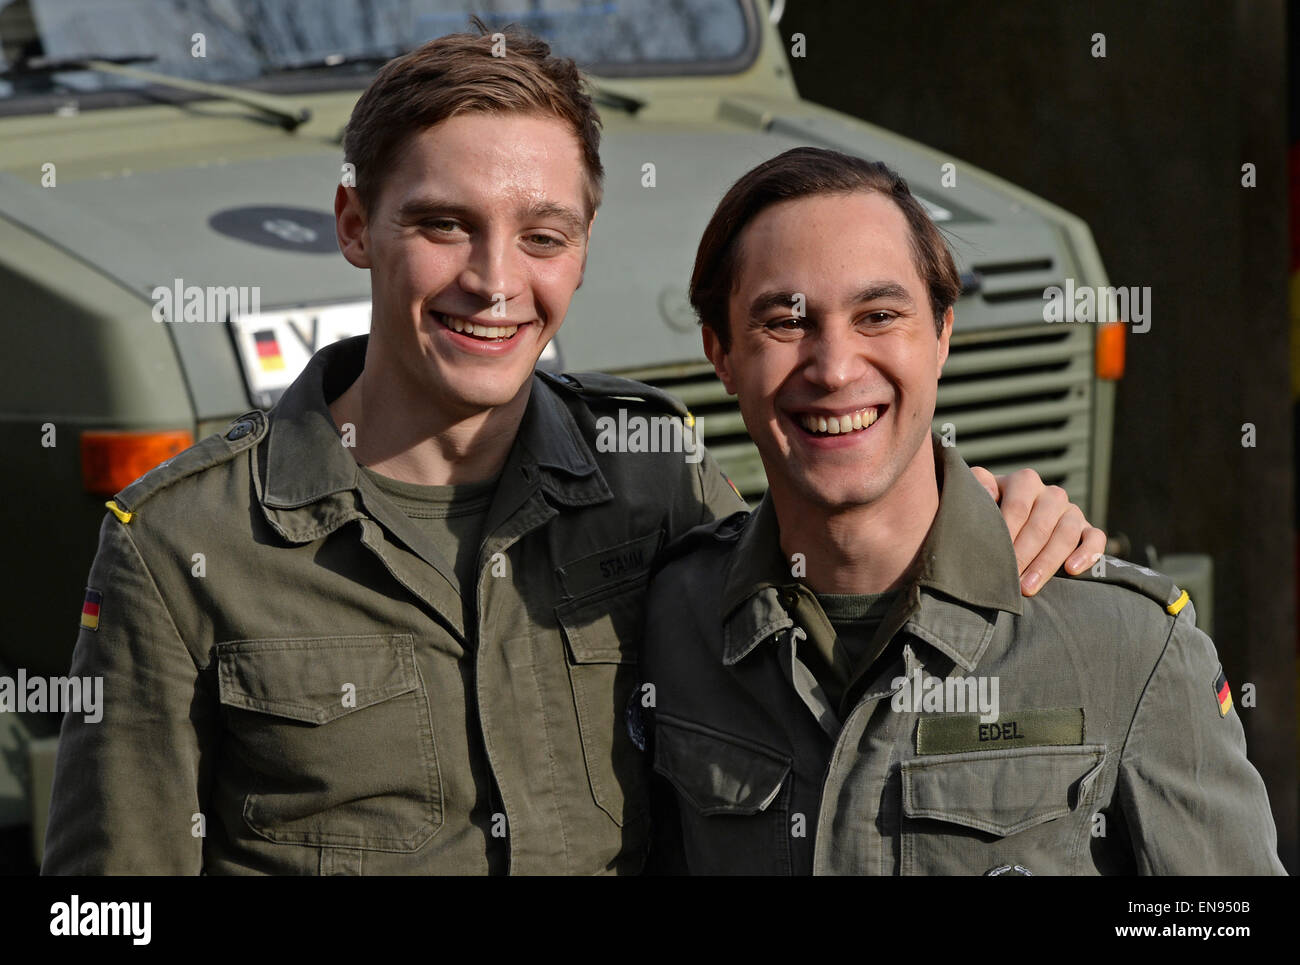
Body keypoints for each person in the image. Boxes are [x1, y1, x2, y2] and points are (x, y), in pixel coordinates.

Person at [42, 27, 1103, 876]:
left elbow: (823, 639)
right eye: (445, 225)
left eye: (542, 236)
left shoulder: (653, 478)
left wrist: (990, 516)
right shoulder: (184, 546)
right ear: (358, 226)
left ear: (583, 251)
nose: (497, 281)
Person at [641, 147, 1286, 875]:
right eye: (785, 324)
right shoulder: (673, 624)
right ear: (721, 353)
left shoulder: (1128, 646)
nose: (836, 367)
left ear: (942, 334)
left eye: (879, 314)